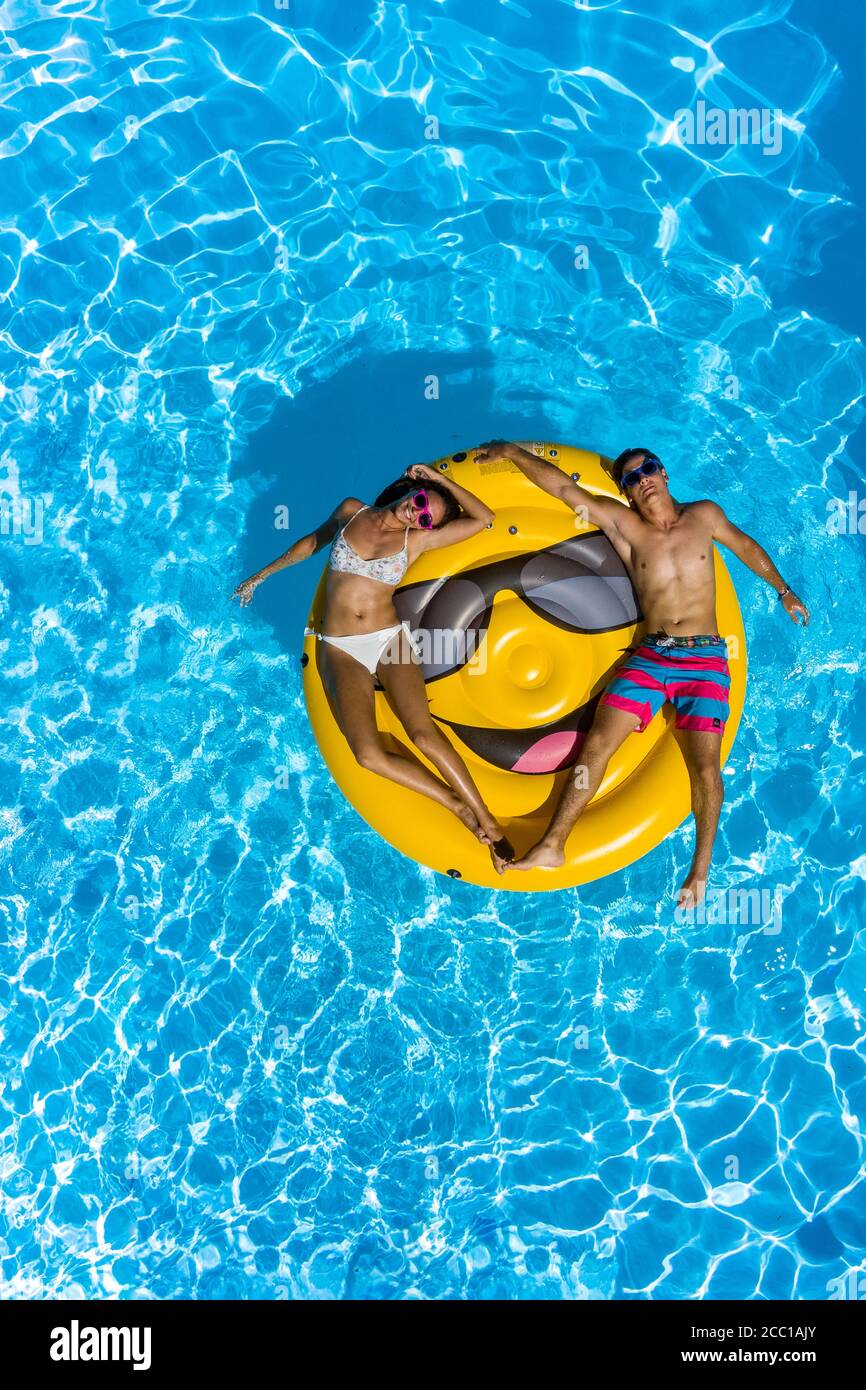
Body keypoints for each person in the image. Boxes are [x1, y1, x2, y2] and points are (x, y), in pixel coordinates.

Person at [474, 441, 809, 903]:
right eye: (631, 477)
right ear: (627, 492)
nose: (642, 479)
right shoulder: (625, 525)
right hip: (651, 658)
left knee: (705, 767)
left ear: (664, 473)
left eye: (647, 469)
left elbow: (745, 546)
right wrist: (513, 453)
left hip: (706, 661)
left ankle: (700, 872)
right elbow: (564, 492)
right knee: (596, 746)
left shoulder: (704, 516)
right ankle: (553, 844)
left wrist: (783, 590)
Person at [232, 463, 514, 870]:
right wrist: (261, 577)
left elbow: (484, 519)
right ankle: (455, 803)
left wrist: (440, 482)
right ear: (409, 490)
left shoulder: (414, 542)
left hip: (388, 642)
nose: (416, 514)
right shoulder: (353, 511)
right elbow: (311, 542)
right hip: (341, 648)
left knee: (424, 735)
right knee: (367, 756)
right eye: (419, 502)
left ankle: (487, 821)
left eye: (426, 518)